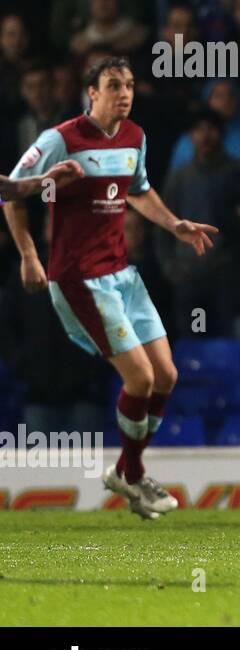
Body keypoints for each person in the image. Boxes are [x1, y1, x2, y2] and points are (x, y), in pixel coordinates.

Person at [2, 56, 218, 520]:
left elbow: (138, 190)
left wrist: (173, 223)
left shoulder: (135, 136)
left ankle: (127, 470)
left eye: (130, 85)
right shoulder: (60, 139)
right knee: (139, 378)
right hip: (79, 277)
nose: (124, 93)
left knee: (167, 376)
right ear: (91, 93)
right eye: (113, 85)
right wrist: (28, 254)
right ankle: (133, 474)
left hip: (122, 272)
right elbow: (10, 193)